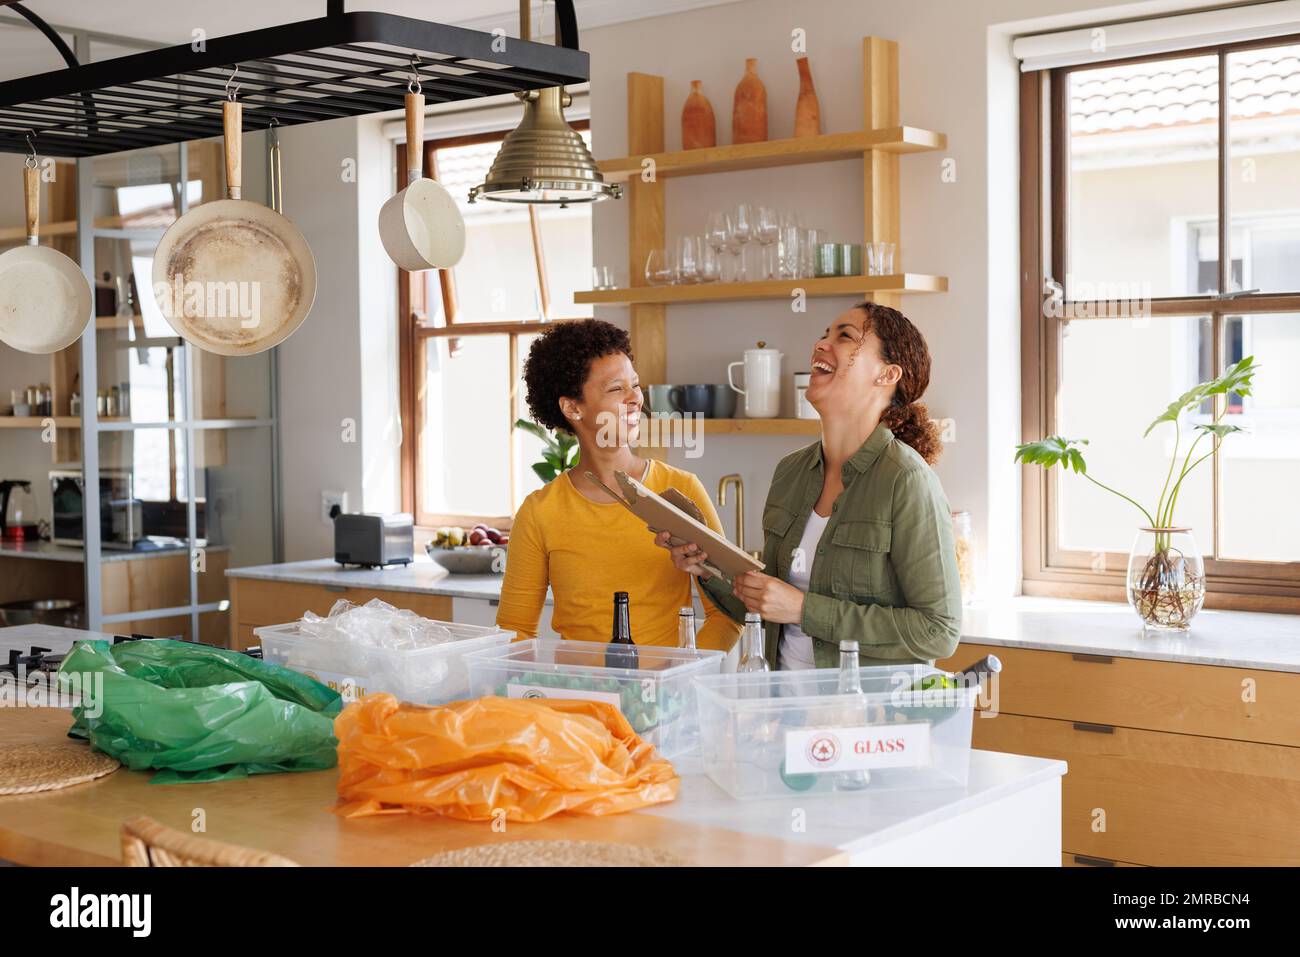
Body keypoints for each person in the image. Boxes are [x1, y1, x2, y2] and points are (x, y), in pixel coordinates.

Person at [658, 302, 961, 667]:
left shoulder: (906, 480)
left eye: (845, 336)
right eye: (823, 334)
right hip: (784, 709)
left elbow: (938, 630)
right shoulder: (791, 472)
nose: (820, 344)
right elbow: (767, 606)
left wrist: (805, 610)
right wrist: (704, 567)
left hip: (866, 718)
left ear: (887, 374)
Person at [497, 319, 741, 651]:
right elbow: (515, 630)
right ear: (572, 407)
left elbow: (728, 613)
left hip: (667, 696)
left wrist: (682, 673)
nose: (635, 399)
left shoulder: (680, 489)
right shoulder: (540, 512)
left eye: (635, 385)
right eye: (616, 389)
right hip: (581, 696)